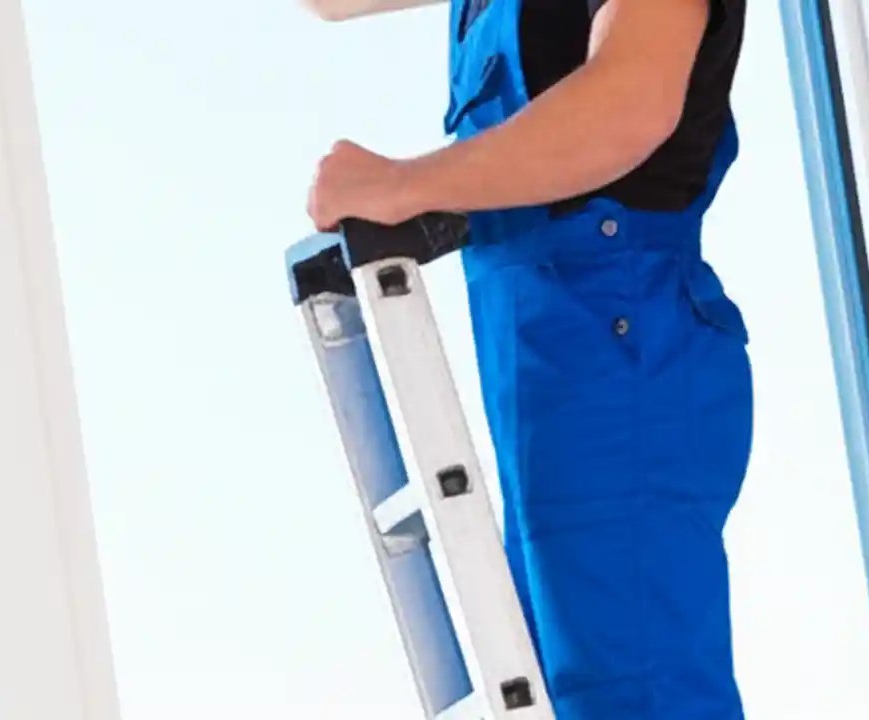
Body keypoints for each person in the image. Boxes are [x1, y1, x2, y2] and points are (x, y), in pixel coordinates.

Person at [308, 0, 752, 717]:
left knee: (634, 696)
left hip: (622, 359)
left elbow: (630, 105)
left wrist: (402, 185)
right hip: (544, 380)